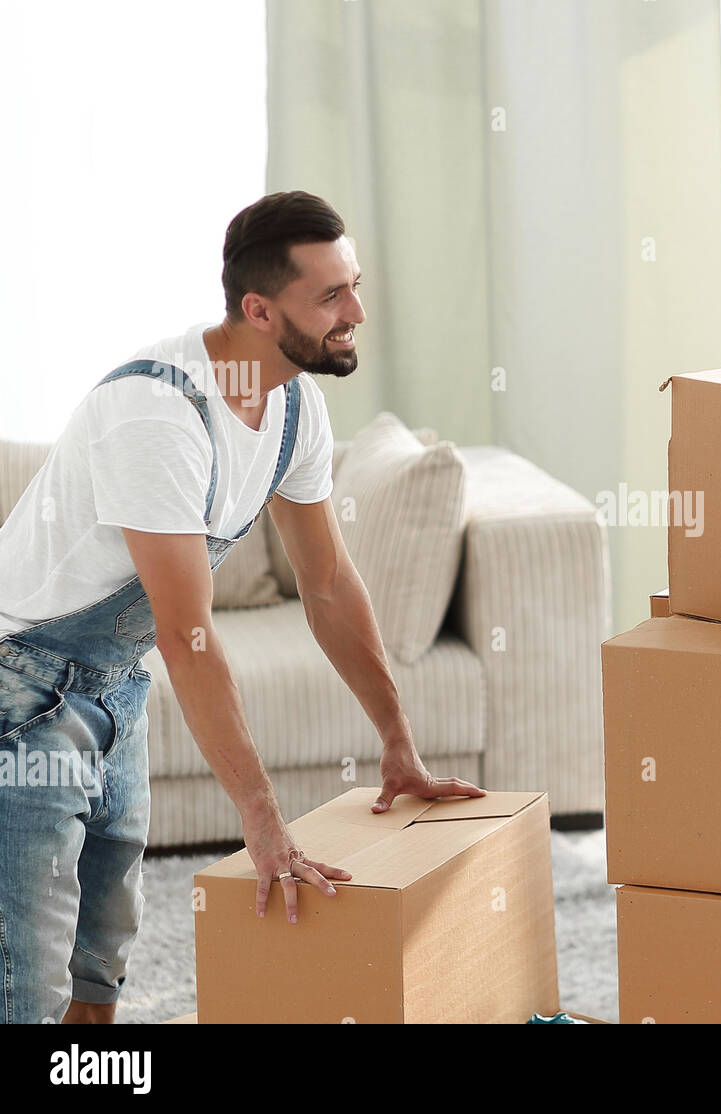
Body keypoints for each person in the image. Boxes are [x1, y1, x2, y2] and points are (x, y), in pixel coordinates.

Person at [0, 190, 484, 1025]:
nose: (356, 312)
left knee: (100, 961)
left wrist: (397, 742)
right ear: (259, 309)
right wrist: (262, 816)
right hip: (22, 693)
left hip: (114, 680)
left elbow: (326, 581)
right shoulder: (157, 414)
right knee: (28, 983)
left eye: (354, 285)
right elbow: (190, 639)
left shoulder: (295, 405)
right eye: (330, 296)